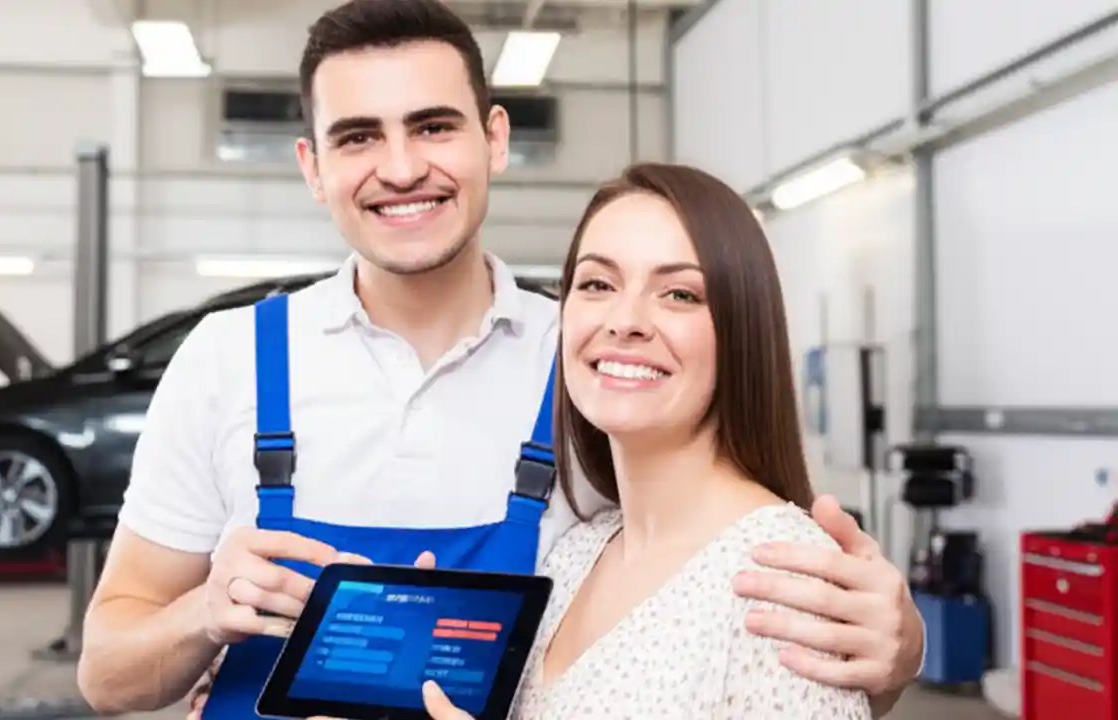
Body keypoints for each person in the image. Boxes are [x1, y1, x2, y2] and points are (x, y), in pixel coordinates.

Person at [75, 1, 924, 718]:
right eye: (359, 136)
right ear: (314, 166)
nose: (402, 168)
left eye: (433, 126)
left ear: (495, 139)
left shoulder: (597, 373)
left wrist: (895, 647)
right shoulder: (229, 361)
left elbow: (738, 604)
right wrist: (203, 616)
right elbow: (106, 674)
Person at [408, 162, 874, 720]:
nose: (625, 320)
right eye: (597, 284)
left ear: (741, 330)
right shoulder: (578, 555)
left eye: (678, 294)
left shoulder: (784, 579)